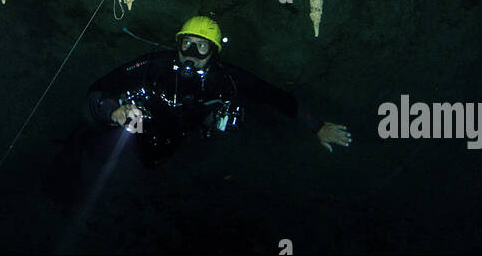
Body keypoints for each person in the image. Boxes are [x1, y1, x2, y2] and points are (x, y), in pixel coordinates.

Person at [87, 15, 351, 169]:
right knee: (108, 149)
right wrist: (113, 111)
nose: (190, 53)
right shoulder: (155, 65)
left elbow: (276, 97)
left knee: (162, 161)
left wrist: (317, 126)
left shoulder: (227, 78)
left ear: (213, 52)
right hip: (139, 129)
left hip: (185, 135)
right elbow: (101, 87)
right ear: (177, 43)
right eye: (186, 43)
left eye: (201, 47)